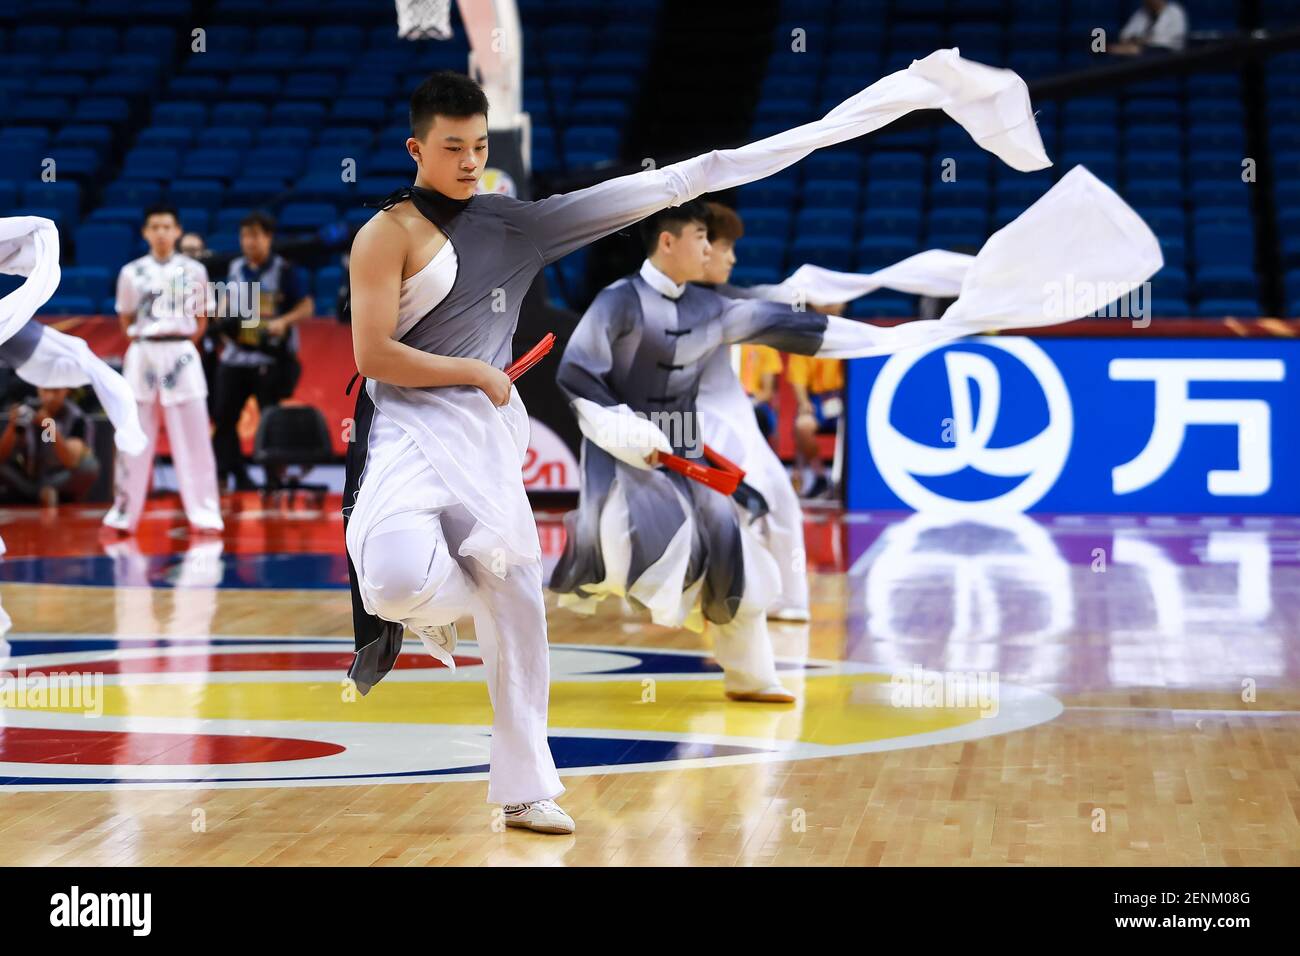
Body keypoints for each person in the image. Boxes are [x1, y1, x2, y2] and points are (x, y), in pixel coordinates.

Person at [344, 53, 1058, 834]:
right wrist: (476, 375)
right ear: (417, 149)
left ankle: (525, 785)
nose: (470, 162)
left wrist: (822, 131)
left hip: (486, 439)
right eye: (453, 148)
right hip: (410, 428)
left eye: (480, 147)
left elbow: (680, 182)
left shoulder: (521, 225)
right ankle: (429, 609)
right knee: (393, 582)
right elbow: (372, 354)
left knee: (522, 599)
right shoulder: (385, 235)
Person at [103, 205, 223, 535]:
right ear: (145, 232)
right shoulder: (130, 272)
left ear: (177, 231)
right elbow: (125, 316)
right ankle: (124, 512)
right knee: (132, 432)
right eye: (154, 226)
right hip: (141, 351)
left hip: (181, 351)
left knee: (195, 437)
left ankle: (205, 513)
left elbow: (202, 319)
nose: (160, 232)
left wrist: (179, 344)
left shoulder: (195, 270)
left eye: (166, 226)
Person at [212, 212, 313, 491]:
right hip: (234, 357)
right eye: (245, 236)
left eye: (255, 235)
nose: (249, 242)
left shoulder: (284, 270)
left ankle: (272, 477)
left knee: (269, 419)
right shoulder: (233, 268)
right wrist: (221, 318)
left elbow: (306, 306)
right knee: (223, 418)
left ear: (268, 238)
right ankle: (231, 474)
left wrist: (282, 321)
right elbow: (225, 304)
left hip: (268, 358)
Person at [0, 387, 99, 506]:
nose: (50, 396)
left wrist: (49, 426)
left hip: (57, 480)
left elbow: (70, 461)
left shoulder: (77, 418)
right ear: (38, 389)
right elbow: (2, 456)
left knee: (89, 467)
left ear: (66, 390)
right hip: (25, 480)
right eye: (45, 390)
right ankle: (34, 495)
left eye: (56, 391)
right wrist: (12, 426)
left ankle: (48, 494)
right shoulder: (26, 410)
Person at [1112, 0, 1188, 55]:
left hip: (1168, 57)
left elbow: (1165, 43)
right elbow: (1124, 35)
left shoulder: (1175, 12)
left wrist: (1139, 45)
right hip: (1140, 55)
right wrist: (1137, 42)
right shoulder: (1141, 12)